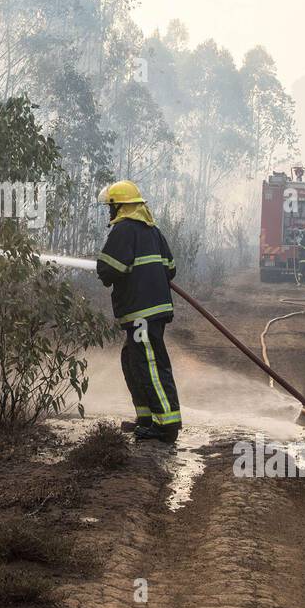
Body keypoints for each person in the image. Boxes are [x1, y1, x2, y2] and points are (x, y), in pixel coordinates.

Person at [96, 180, 182, 444]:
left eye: (111, 207)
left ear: (120, 207)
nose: (109, 213)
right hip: (150, 310)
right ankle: (146, 418)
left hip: (141, 312)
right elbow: (170, 268)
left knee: (150, 364)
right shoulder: (153, 232)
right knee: (133, 361)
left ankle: (167, 425)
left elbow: (110, 269)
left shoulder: (124, 231)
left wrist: (104, 268)